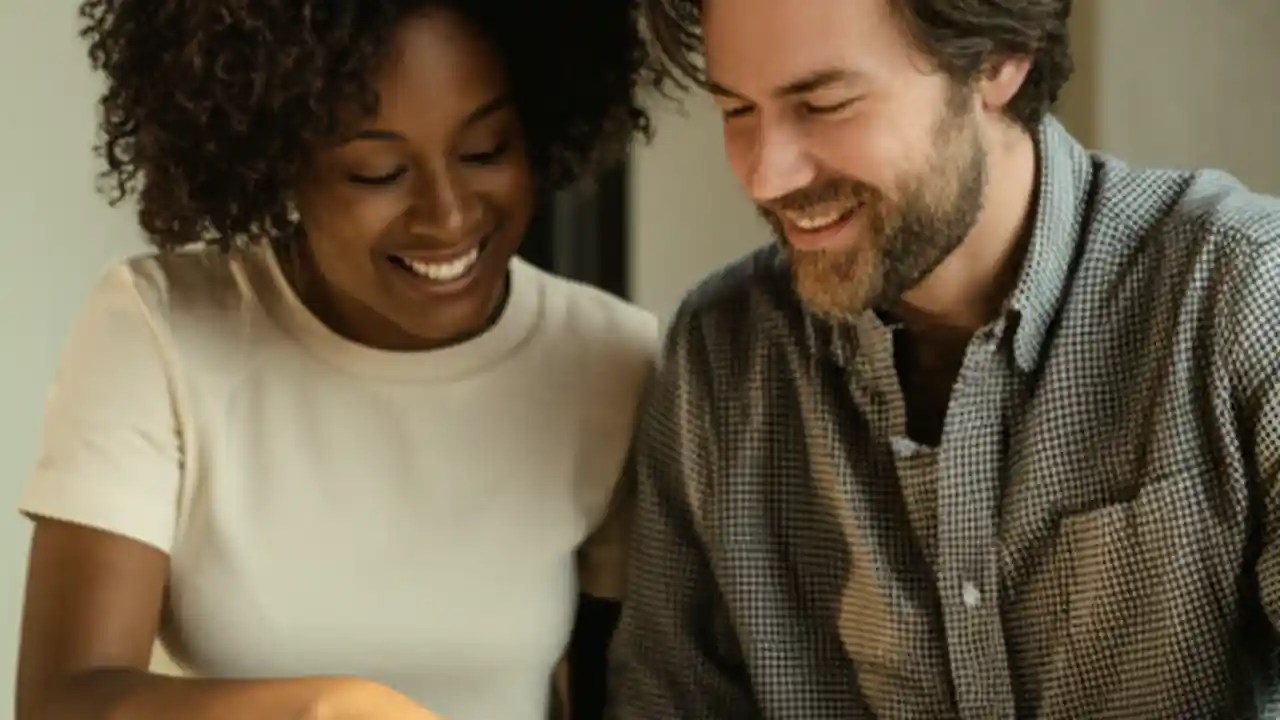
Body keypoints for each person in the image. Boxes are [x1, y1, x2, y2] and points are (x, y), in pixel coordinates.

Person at [609, 0, 1280, 717]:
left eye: (826, 104)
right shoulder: (724, 357)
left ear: (997, 60)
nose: (766, 175)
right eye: (736, 110)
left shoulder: (1237, 291)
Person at [16, 1, 655, 719]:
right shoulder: (158, 330)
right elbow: (63, 699)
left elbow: (618, 695)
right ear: (277, 163)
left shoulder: (612, 361)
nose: (447, 215)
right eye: (377, 172)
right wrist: (324, 706)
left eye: (485, 152)